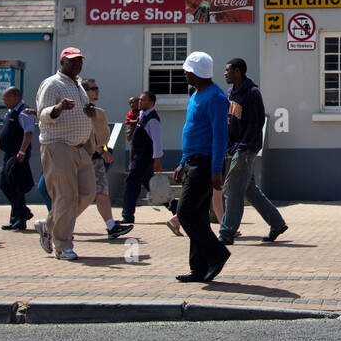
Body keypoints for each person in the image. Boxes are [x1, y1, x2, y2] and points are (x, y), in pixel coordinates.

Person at [34, 48, 98, 262]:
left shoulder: (78, 85)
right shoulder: (52, 83)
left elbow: (80, 112)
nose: (77, 65)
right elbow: (42, 114)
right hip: (58, 146)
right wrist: (58, 108)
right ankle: (62, 246)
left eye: (80, 61)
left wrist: (88, 112)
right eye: (72, 61)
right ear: (62, 61)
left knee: (88, 192)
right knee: (65, 197)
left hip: (80, 148)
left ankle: (49, 225)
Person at [172, 51, 230, 283]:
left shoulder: (216, 97)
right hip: (193, 161)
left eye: (187, 70)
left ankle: (217, 254)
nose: (184, 73)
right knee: (197, 215)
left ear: (196, 72)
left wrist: (217, 169)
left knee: (185, 213)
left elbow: (220, 136)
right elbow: (192, 131)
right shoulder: (197, 94)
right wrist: (182, 162)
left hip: (205, 163)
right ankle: (198, 268)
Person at [218, 58, 287, 243]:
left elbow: (257, 122)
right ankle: (277, 223)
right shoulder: (230, 93)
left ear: (238, 72)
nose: (225, 73)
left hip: (246, 148)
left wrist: (243, 145)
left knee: (232, 190)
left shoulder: (252, 93)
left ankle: (226, 233)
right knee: (249, 190)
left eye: (228, 70)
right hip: (233, 147)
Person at [81, 78, 132, 239]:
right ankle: (53, 224)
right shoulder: (79, 111)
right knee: (78, 196)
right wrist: (102, 151)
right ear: (84, 92)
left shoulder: (94, 111)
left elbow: (98, 136)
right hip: (82, 160)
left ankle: (111, 226)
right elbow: (85, 136)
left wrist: (103, 150)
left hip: (95, 160)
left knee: (102, 191)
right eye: (93, 88)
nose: (97, 91)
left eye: (97, 88)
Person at [0, 86, 36, 231]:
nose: (4, 102)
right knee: (10, 185)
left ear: (15, 98)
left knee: (10, 185)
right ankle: (19, 217)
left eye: (6, 99)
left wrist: (21, 152)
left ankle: (22, 213)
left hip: (18, 155)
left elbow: (28, 133)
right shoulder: (10, 112)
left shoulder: (24, 112)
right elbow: (3, 134)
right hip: (8, 153)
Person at [122, 91, 162, 229]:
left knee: (131, 184)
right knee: (152, 186)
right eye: (139, 100)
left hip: (145, 158)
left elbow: (157, 141)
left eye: (143, 100)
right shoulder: (141, 116)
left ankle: (127, 215)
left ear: (151, 103)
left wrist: (157, 160)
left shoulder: (152, 119)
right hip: (138, 156)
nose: (140, 102)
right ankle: (174, 207)